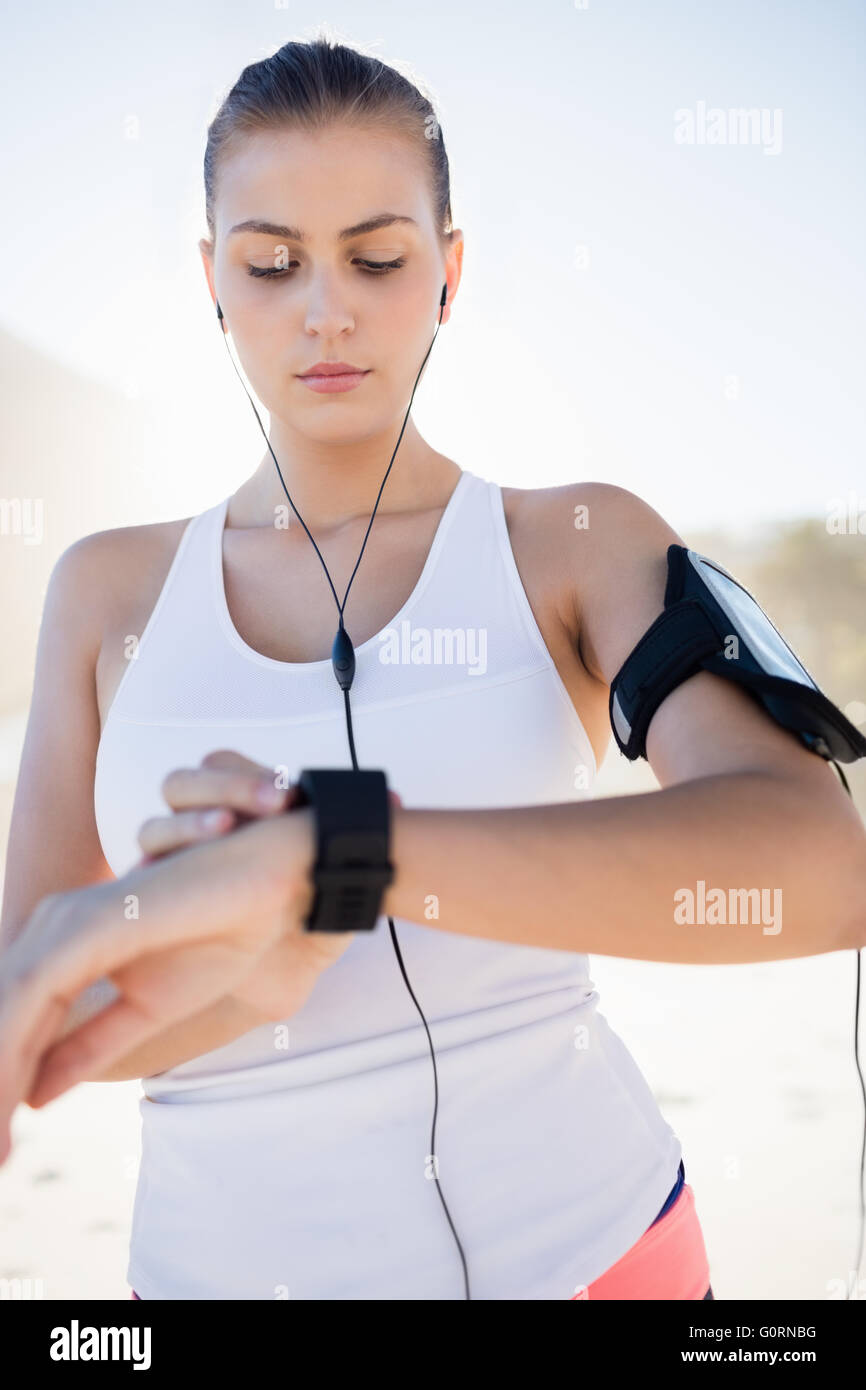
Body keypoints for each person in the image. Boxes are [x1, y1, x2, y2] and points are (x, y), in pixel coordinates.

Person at [1, 34, 863, 1302]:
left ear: (449, 272)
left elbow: (818, 868)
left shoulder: (575, 543)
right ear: (211, 280)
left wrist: (332, 851)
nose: (325, 307)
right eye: (271, 263)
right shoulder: (104, 589)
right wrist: (263, 968)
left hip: (593, 1257)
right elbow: (50, 1014)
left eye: (377, 256)